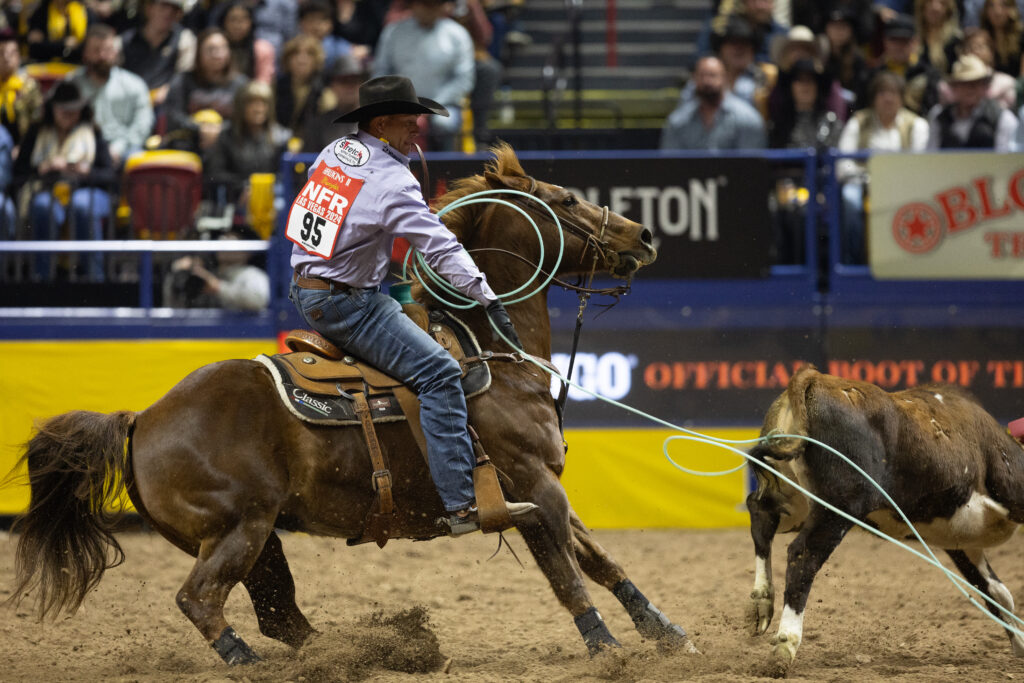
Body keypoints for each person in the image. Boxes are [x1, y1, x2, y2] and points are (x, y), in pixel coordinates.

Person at [288, 75, 537, 534]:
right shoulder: (390, 181)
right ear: (381, 124)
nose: (417, 129)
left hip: (311, 287)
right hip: (349, 303)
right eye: (409, 121)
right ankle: (461, 502)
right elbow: (438, 247)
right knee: (440, 372)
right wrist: (486, 294)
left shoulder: (335, 153)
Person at [13, 81, 114, 281]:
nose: (69, 115)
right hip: (47, 190)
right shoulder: (37, 132)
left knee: (83, 205)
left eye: (74, 110)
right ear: (52, 109)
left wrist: (85, 171)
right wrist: (43, 169)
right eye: (63, 110)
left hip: (88, 190)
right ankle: (41, 280)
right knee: (43, 206)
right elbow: (19, 172)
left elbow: (110, 175)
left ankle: (94, 280)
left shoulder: (93, 132)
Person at [836, 71, 929, 264]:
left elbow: (919, 166)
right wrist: (866, 179)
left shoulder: (917, 125)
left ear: (902, 98)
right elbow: (842, 162)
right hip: (862, 183)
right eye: (882, 93)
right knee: (849, 200)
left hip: (903, 185)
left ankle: (905, 262)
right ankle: (855, 261)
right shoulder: (858, 122)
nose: (888, 98)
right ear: (873, 98)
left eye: (893, 93)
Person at [372, 0, 475, 151]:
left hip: (443, 104)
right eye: (424, 4)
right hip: (400, 103)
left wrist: (432, 105)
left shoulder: (457, 34)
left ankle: (446, 170)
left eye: (435, 4)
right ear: (413, 5)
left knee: (444, 123)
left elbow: (464, 79)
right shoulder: (394, 32)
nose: (429, 9)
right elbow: (381, 73)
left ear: (442, 6)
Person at [64, 23, 155, 166]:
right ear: (85, 53)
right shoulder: (70, 85)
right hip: (80, 149)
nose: (102, 56)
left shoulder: (134, 85)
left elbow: (142, 127)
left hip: (123, 149)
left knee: (137, 159)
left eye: (107, 50)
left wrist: (118, 149)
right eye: (96, 50)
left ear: (116, 51)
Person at [204, 79, 288, 202]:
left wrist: (264, 189)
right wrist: (242, 187)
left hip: (272, 201)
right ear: (240, 107)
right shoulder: (226, 136)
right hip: (235, 200)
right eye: (252, 103)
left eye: (263, 103)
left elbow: (285, 176)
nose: (258, 109)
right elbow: (215, 173)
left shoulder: (281, 137)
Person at [660, 56, 767, 150]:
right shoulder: (678, 121)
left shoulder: (748, 119)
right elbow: (671, 163)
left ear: (725, 78)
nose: (707, 81)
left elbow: (751, 165)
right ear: (694, 79)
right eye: (702, 75)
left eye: (712, 75)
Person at [163, 28, 248, 146]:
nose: (217, 54)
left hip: (228, 143)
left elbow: (245, 119)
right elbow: (173, 116)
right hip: (188, 140)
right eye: (211, 49)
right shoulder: (183, 80)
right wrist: (200, 129)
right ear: (198, 52)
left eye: (222, 48)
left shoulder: (241, 84)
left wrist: (220, 130)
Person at [927, 53, 1019, 150]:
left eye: (976, 83)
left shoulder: (1003, 118)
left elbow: (1005, 158)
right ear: (954, 87)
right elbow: (931, 155)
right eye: (964, 83)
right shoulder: (939, 116)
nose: (970, 88)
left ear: (984, 86)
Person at [164, 228, 270, 311]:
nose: (224, 242)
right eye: (222, 238)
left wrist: (218, 287)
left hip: (241, 334)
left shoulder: (252, 274)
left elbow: (258, 300)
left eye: (231, 239)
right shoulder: (207, 273)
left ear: (247, 252)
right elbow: (174, 307)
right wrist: (177, 272)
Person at [119, 0, 197, 109]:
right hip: (127, 102)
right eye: (164, 6)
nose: (168, 12)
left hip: (165, 105)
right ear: (149, 8)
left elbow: (184, 75)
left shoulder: (184, 39)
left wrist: (169, 89)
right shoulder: (126, 40)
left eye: (174, 9)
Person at [862, 13, 941, 115]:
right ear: (885, 41)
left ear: (915, 43)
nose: (899, 46)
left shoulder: (928, 75)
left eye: (904, 41)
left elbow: (931, 111)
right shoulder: (872, 75)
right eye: (894, 40)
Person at [274, 33, 335, 145]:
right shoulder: (275, 88)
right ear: (287, 59)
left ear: (316, 60)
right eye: (295, 53)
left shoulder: (324, 94)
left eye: (309, 54)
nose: (301, 60)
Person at [301, 53, 364, 153]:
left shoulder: (375, 124)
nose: (349, 87)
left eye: (354, 81)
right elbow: (308, 164)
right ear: (332, 86)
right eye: (344, 81)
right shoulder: (318, 126)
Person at [0, 29, 44, 145]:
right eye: (1, 53)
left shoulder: (29, 86)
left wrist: (23, 149)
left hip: (22, 147)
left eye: (12, 53)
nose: (6, 58)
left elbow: (37, 120)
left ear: (19, 56)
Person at [218, 1, 275, 84]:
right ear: (224, 22)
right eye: (233, 19)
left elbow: (264, 84)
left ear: (251, 23)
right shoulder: (217, 48)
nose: (237, 25)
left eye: (242, 20)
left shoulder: (262, 49)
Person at [26, 0, 93, 63]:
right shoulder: (42, 13)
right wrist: (63, 44)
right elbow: (35, 48)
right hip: (48, 65)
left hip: (77, 63)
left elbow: (89, 45)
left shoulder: (83, 11)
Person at [913, 0, 961, 74]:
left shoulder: (955, 39)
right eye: (930, 1)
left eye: (942, 3)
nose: (935, 7)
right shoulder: (912, 35)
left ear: (948, 10)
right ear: (922, 7)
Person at [978, 0, 1024, 77]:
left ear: (1012, 10)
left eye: (1003, 5)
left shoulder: (1022, 36)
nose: (997, 11)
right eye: (991, 6)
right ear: (986, 11)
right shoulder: (980, 39)